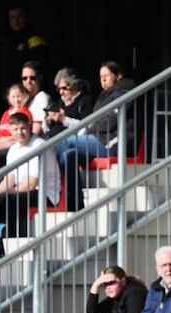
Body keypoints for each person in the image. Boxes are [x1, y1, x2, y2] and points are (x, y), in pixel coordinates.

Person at [56, 61, 136, 211]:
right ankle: (75, 204)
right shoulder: (106, 95)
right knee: (69, 155)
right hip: (101, 138)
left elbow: (109, 122)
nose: (103, 80)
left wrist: (90, 127)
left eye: (106, 76)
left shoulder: (125, 92)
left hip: (114, 141)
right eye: (101, 77)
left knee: (65, 143)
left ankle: (55, 195)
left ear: (118, 76)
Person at [0, 112, 59, 236]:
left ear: (29, 127)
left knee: (11, 200)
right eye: (16, 129)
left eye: (23, 128)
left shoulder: (39, 146)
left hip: (46, 193)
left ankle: (12, 240)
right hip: (25, 190)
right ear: (10, 131)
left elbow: (32, 184)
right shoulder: (13, 149)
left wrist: (7, 193)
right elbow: (10, 178)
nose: (20, 132)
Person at [80, 265, 148, 313]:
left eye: (111, 283)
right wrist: (96, 285)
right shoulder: (115, 298)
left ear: (123, 282)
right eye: (105, 284)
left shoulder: (135, 293)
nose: (108, 287)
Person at [0, 4, 50, 85]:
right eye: (13, 18)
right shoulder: (6, 42)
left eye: (20, 17)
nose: (16, 21)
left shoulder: (35, 41)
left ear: (26, 18)